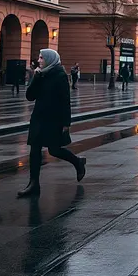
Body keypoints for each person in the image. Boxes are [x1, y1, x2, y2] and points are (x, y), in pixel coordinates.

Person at [18, 49, 86, 197]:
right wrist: (35, 77)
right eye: (39, 57)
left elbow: (65, 101)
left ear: (49, 59)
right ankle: (33, 184)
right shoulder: (40, 74)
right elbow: (30, 96)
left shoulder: (60, 75)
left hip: (54, 119)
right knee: (34, 149)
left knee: (54, 150)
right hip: (38, 117)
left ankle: (78, 162)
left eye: (42, 58)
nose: (39, 60)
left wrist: (66, 123)